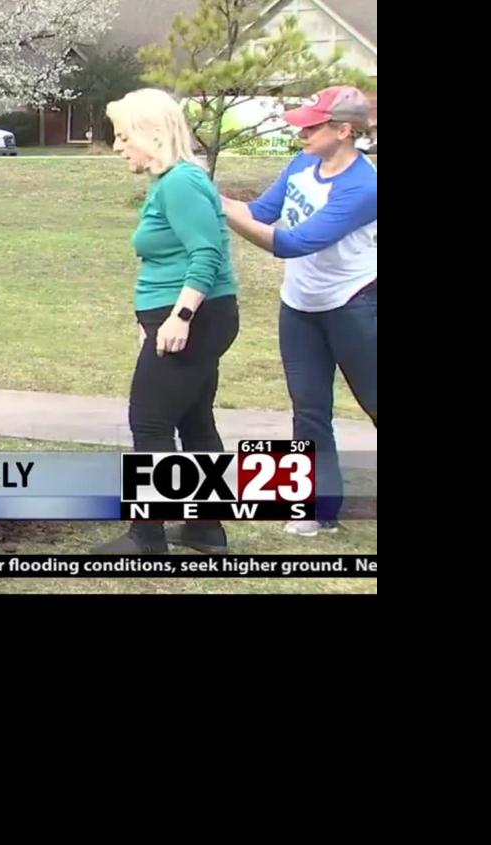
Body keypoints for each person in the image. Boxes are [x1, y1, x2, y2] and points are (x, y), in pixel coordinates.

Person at [221, 86, 376, 537]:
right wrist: (205, 191)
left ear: (345, 130)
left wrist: (219, 209)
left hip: (355, 305)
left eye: (313, 125)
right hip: (300, 306)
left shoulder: (364, 187)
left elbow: (292, 243)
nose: (302, 132)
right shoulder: (301, 164)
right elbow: (260, 212)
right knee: (308, 410)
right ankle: (315, 509)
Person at [91, 88, 240, 556]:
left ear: (151, 133)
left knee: (150, 421)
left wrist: (179, 316)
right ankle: (205, 529)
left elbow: (207, 254)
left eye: (122, 136)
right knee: (194, 420)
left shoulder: (181, 182)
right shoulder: (171, 181)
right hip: (184, 316)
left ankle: (147, 536)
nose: (117, 147)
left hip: (194, 317)